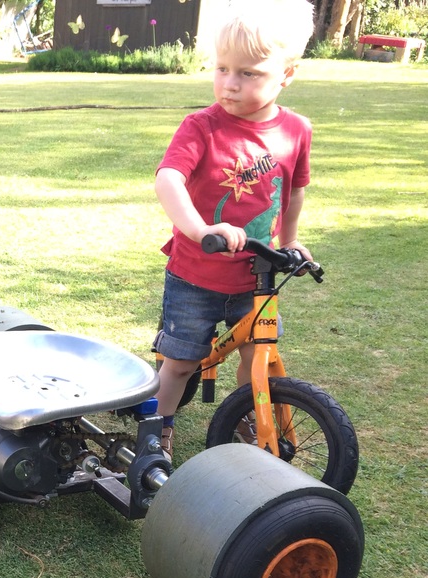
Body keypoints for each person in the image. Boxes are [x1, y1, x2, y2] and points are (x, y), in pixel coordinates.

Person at [152, 0, 317, 461]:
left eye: (248, 73)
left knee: (256, 355)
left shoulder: (297, 131)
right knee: (182, 361)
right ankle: (156, 431)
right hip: (197, 273)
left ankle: (249, 423)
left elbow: (294, 191)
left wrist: (290, 242)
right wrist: (200, 227)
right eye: (222, 68)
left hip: (257, 278)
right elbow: (169, 179)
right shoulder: (201, 126)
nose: (229, 83)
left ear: (286, 75)